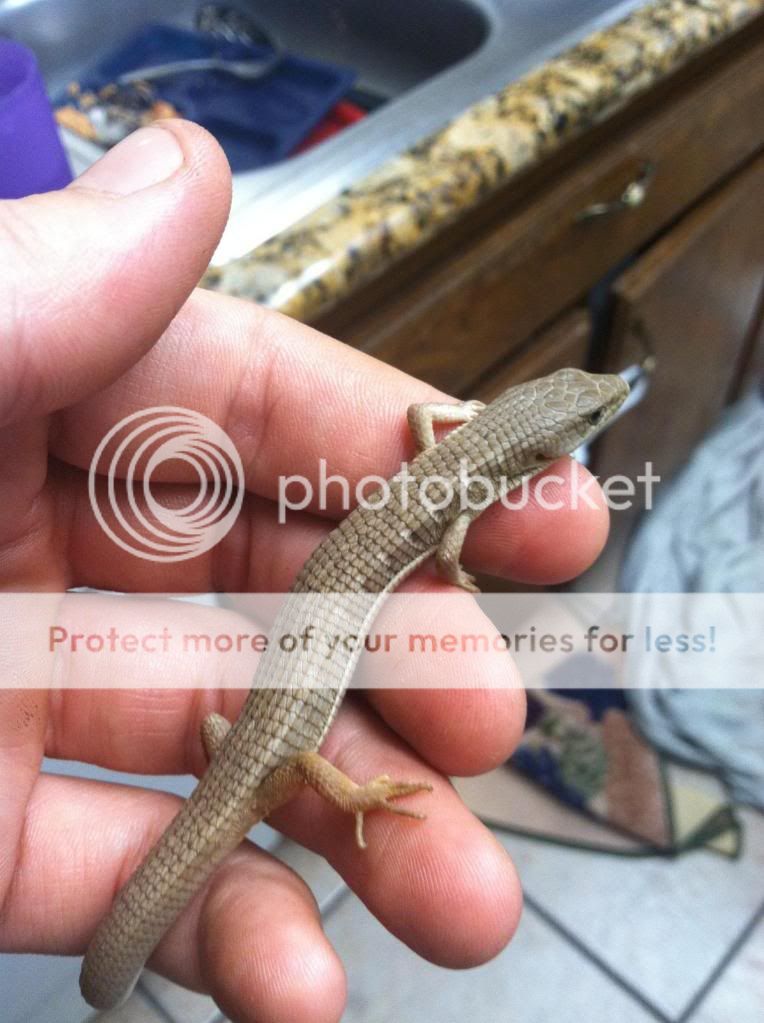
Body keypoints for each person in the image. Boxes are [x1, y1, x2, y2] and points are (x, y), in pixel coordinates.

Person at [0, 121, 611, 1023]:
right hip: (266, 748)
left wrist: (464, 420)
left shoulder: (454, 441)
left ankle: (109, 976)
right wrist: (354, 790)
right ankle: (331, 804)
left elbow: (419, 420)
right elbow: (447, 550)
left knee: (246, 757)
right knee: (287, 759)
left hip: (256, 721)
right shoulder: (471, 488)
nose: (600, 408)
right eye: (586, 416)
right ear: (536, 442)